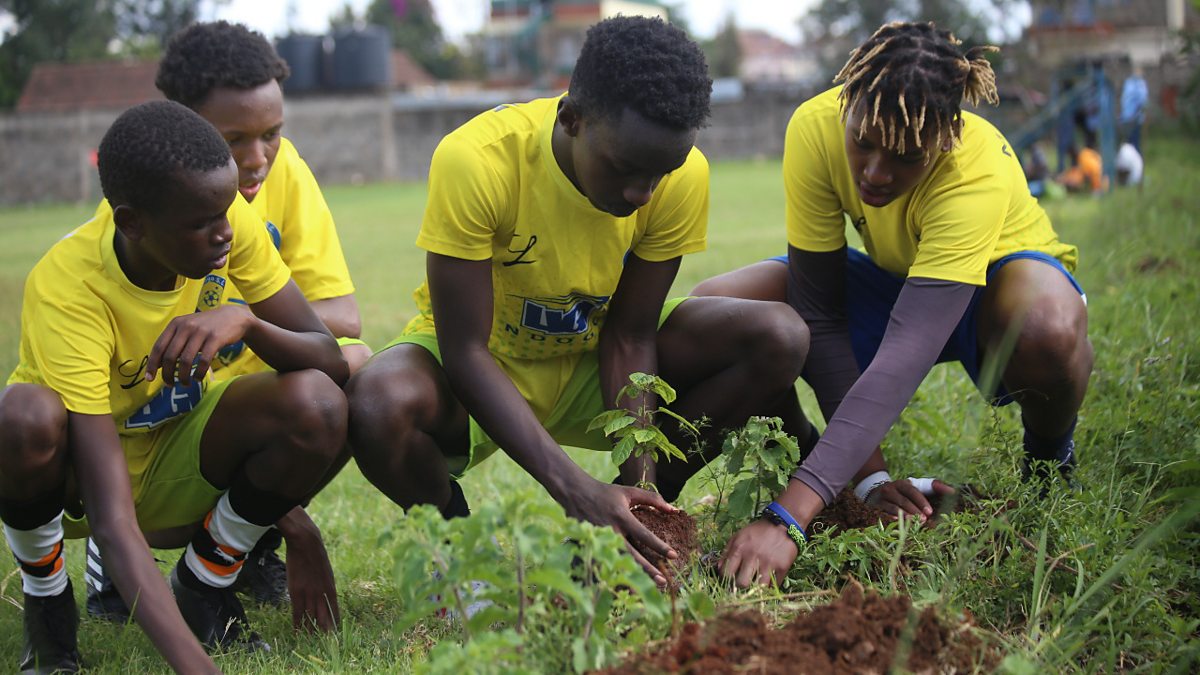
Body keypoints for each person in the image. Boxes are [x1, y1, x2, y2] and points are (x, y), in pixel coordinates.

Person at [345, 16, 809, 586]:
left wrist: (636, 479)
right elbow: (463, 350)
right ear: (571, 119)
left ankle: (637, 523)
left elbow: (630, 334)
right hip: (486, 364)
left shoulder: (682, 176)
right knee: (377, 402)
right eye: (624, 170)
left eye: (659, 174)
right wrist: (573, 488)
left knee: (779, 337)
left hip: (595, 355)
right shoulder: (478, 161)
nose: (642, 194)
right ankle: (462, 556)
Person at [692, 21, 1093, 587]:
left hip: (992, 295)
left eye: (905, 156)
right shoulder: (814, 126)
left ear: (948, 136)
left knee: (1047, 327)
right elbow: (820, 312)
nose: (875, 173)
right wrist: (870, 482)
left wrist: (788, 519)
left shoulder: (974, 167)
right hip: (896, 278)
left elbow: (906, 350)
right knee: (717, 307)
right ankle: (822, 459)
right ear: (847, 106)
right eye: (863, 143)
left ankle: (1049, 462)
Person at [0, 101, 348, 672]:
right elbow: (112, 522)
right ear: (132, 222)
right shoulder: (68, 286)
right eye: (202, 223)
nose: (225, 233)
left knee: (317, 403)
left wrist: (249, 322)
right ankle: (47, 606)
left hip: (171, 454)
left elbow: (328, 358)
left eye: (226, 209)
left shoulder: (222, 217)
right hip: (76, 484)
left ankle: (203, 583)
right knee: (24, 414)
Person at [83, 20, 369, 620]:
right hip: (155, 416)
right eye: (233, 138)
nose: (257, 158)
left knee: (352, 370)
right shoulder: (148, 204)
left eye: (272, 134)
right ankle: (116, 555)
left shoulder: (284, 170)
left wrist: (244, 317)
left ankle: (239, 546)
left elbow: (342, 316)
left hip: (241, 399)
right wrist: (301, 525)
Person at [1120, 67, 1148, 152]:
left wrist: (1136, 115)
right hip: (1126, 116)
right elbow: (1125, 99)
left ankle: (1136, 159)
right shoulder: (1129, 83)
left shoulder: (1140, 84)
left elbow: (1142, 101)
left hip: (1135, 117)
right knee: (1128, 140)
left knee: (1135, 140)